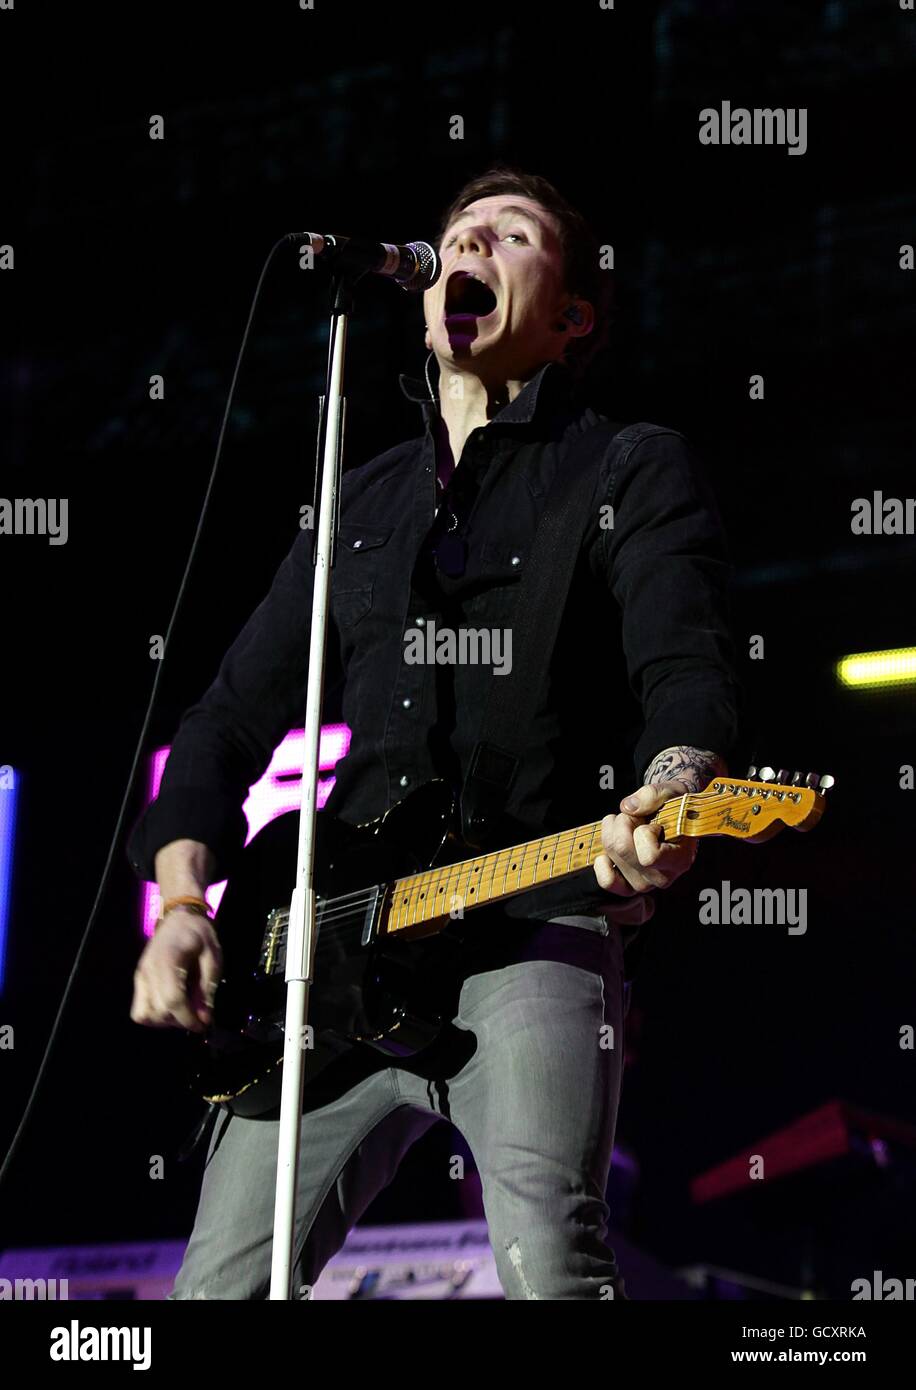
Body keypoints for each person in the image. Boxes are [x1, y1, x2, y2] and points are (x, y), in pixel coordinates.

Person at [128, 166, 741, 1300]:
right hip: (338, 957)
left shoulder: (626, 465)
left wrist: (669, 786)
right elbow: (224, 719)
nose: (468, 247)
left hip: (533, 923)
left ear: (569, 317)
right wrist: (177, 905)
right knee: (215, 1288)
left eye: (510, 236)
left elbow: (684, 666)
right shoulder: (360, 499)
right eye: (456, 234)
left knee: (551, 1258)